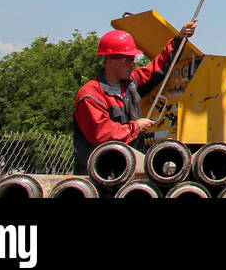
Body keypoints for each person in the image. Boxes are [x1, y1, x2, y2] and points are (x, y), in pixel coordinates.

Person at [71, 20, 196, 174]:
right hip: (99, 175)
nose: (132, 63)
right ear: (109, 60)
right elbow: (102, 134)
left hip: (127, 172)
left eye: (133, 59)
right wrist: (136, 127)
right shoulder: (90, 95)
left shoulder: (131, 83)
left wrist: (180, 38)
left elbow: (157, 68)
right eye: (128, 59)